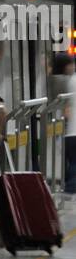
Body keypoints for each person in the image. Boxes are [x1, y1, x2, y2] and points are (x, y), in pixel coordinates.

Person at [48, 52, 76, 193]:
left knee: (71, 162)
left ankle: (67, 188)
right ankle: (69, 190)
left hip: (64, 130)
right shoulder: (66, 81)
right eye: (71, 64)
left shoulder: (53, 80)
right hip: (69, 128)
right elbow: (67, 109)